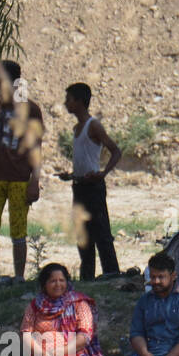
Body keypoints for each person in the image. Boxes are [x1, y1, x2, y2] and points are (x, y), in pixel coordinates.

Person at [0, 60, 44, 282]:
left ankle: (18, 276)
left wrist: (35, 180)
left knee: (18, 230)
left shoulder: (30, 109)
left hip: (19, 176)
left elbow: (36, 146)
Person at [58, 83, 121, 280]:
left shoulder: (93, 125)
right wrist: (72, 175)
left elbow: (115, 151)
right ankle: (88, 278)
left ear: (79, 101)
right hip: (79, 186)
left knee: (101, 232)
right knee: (83, 234)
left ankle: (111, 273)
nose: (66, 103)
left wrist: (102, 174)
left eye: (69, 99)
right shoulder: (77, 127)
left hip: (93, 187)